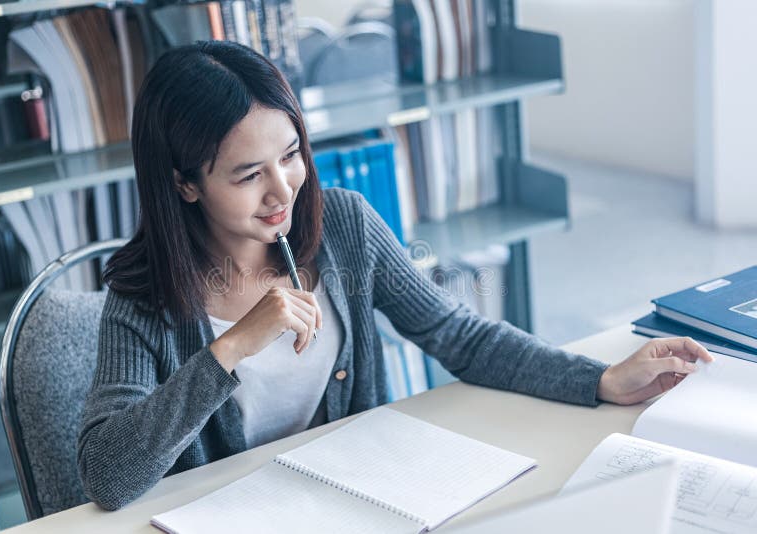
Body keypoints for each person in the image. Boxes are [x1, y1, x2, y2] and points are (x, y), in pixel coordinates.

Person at [77, 41, 712, 511]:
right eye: (248, 175)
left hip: (362, 505)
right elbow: (106, 477)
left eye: (292, 155)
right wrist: (233, 346)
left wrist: (598, 378)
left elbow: (458, 335)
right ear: (185, 183)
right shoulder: (144, 299)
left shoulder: (345, 226)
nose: (283, 190)